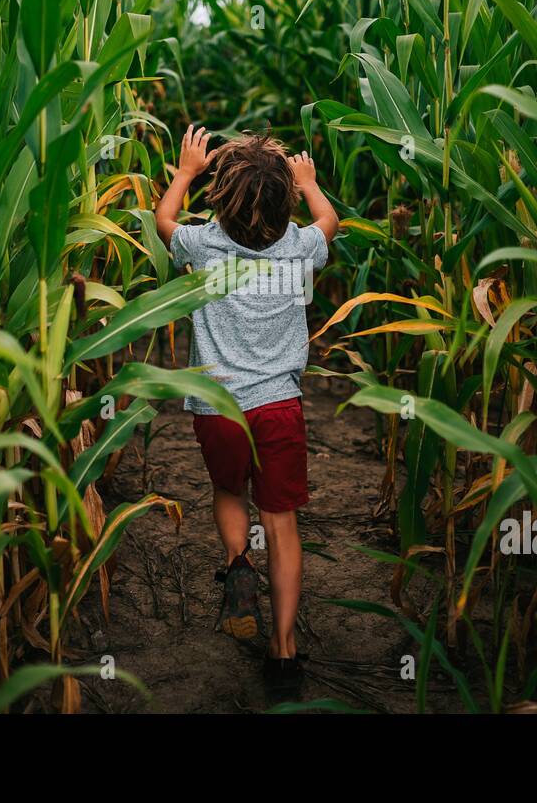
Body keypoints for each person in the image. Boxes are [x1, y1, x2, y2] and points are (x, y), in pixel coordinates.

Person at [154, 125, 339, 693]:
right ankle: (284, 653)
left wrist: (185, 172)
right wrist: (309, 183)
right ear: (285, 201)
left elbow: (163, 222)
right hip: (278, 406)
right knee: (281, 524)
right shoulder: (300, 247)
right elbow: (330, 223)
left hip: (218, 409)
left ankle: (238, 567)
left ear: (223, 199)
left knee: (230, 491)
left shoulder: (203, 244)